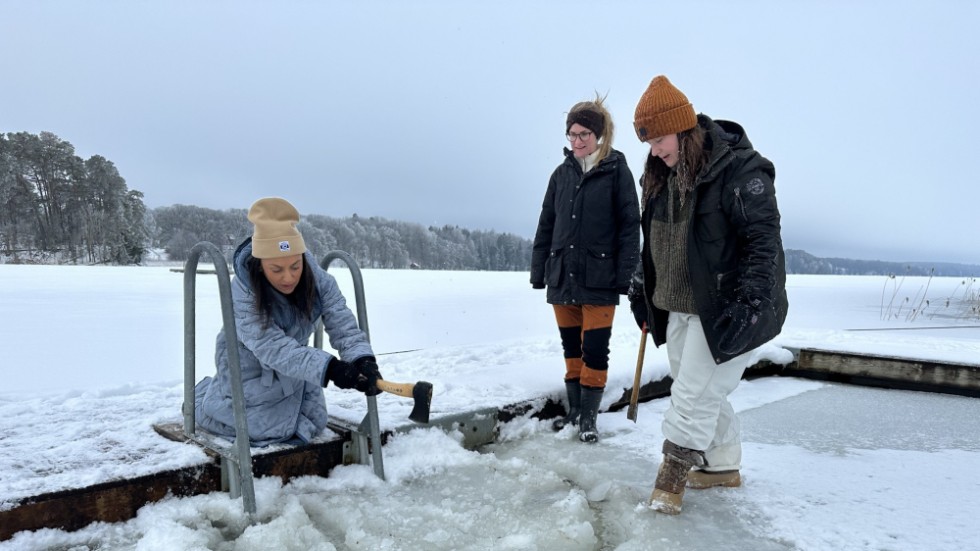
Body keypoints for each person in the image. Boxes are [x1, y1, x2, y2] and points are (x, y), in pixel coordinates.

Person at [627, 75, 788, 514]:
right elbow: (654, 243)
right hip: (676, 305)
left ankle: (668, 489)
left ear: (682, 128)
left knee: (692, 397)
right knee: (695, 388)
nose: (655, 150)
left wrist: (751, 304)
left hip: (725, 307)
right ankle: (721, 466)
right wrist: (643, 289)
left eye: (660, 139)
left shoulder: (740, 170)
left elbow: (762, 243)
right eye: (649, 142)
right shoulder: (659, 176)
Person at [195, 197, 383, 447]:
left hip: (295, 369)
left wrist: (362, 359)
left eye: (295, 266)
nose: (288, 277)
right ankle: (206, 399)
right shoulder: (242, 292)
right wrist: (330, 369)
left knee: (313, 422)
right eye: (277, 269)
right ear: (261, 266)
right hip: (248, 365)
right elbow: (272, 347)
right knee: (268, 431)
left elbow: (340, 318)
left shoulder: (318, 279)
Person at [531, 94, 641, 443]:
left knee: (594, 350)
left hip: (600, 279)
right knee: (571, 350)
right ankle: (574, 413)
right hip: (562, 276)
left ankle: (589, 419)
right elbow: (546, 225)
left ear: (600, 135)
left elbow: (629, 226)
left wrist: (627, 277)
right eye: (572, 134)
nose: (577, 141)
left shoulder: (616, 171)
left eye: (584, 135)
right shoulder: (560, 175)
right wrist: (539, 271)